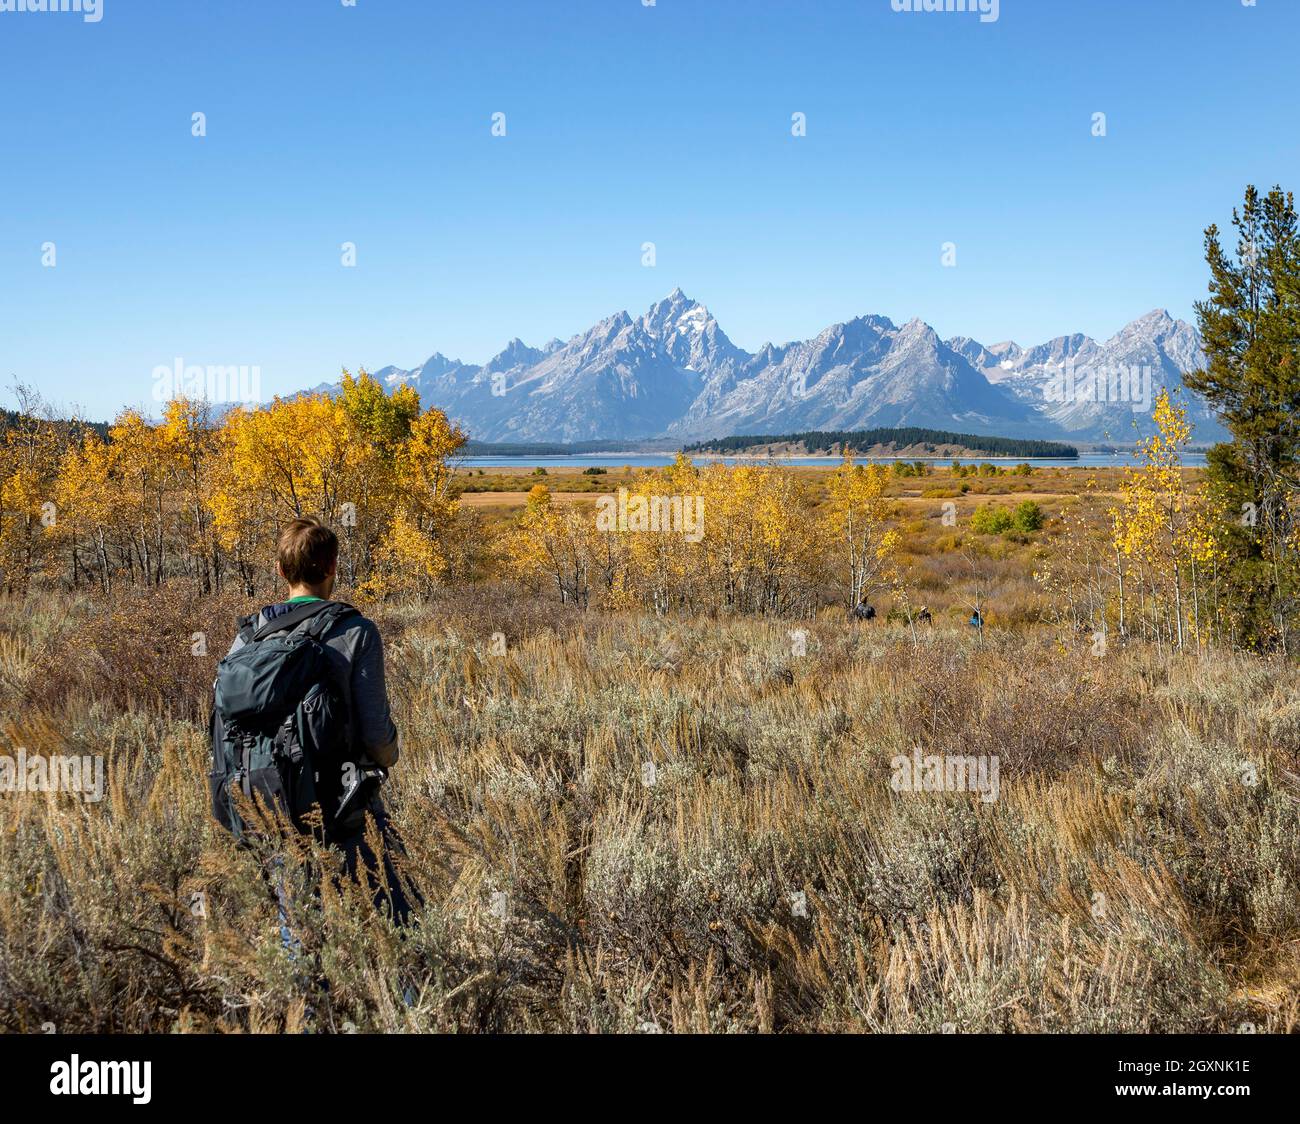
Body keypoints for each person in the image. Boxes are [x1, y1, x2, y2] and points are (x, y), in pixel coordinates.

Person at [215, 516, 414, 926]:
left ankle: (305, 989)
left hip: (268, 806)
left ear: (281, 571)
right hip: (344, 806)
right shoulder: (357, 631)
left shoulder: (249, 636)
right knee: (399, 923)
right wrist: (389, 754)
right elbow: (377, 737)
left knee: (301, 927)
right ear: (332, 568)